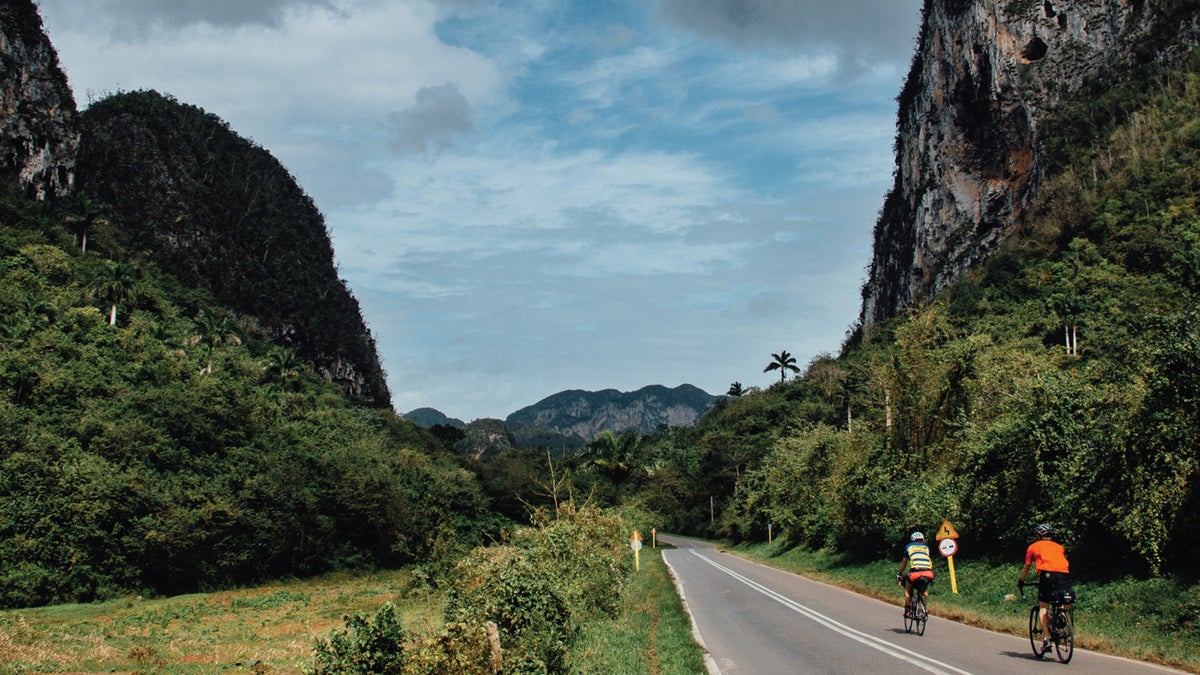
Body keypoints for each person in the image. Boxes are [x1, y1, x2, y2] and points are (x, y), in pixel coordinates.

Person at [1019, 523, 1071, 654]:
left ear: (1038, 536)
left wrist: (1021, 581)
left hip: (1046, 575)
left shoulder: (1033, 547)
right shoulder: (1060, 547)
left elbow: (1026, 567)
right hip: (1063, 574)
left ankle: (1047, 639)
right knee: (1063, 598)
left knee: (1043, 607)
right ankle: (1062, 616)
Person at [897, 531, 935, 613]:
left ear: (912, 540)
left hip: (915, 573)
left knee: (908, 586)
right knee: (924, 590)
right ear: (922, 540)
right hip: (929, 573)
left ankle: (907, 607)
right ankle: (925, 608)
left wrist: (900, 573)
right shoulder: (926, 547)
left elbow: (904, 563)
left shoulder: (909, 546)